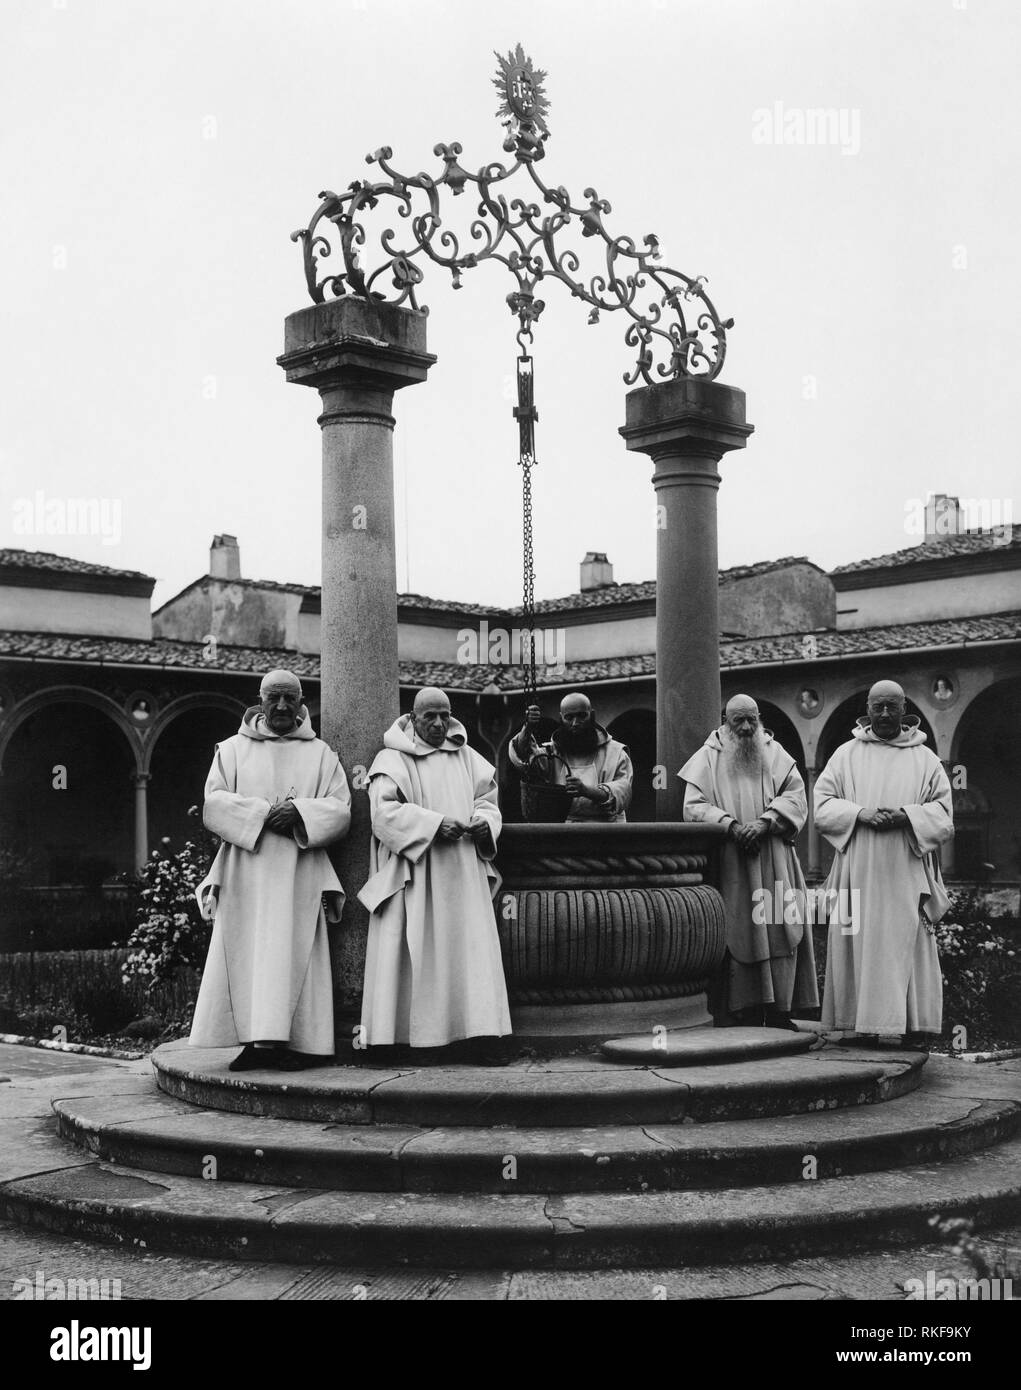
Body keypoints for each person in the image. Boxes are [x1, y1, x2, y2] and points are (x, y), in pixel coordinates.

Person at [190, 669, 351, 1071]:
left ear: (301, 703)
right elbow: (214, 803)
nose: (281, 706)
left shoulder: (321, 755)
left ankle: (298, 1043)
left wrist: (298, 811)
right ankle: (252, 1042)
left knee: (295, 954)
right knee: (250, 955)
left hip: (301, 872)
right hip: (248, 871)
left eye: (290, 699)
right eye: (274, 698)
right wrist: (263, 813)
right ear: (260, 701)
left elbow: (340, 809)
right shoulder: (231, 751)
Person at [358, 687, 512, 1062]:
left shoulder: (467, 757)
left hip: (462, 872)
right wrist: (433, 825)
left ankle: (478, 1036)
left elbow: (487, 802)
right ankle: (415, 1040)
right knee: (419, 954)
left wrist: (484, 823)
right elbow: (383, 815)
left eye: (445, 715)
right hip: (417, 873)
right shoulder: (391, 759)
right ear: (412, 719)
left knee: (468, 952)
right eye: (430, 717)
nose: (440, 724)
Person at [815, 679, 953, 1047]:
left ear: (905, 709)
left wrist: (907, 816)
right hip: (858, 868)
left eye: (893, 706)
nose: (887, 714)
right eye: (880, 707)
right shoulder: (846, 754)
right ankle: (859, 1024)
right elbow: (823, 805)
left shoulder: (925, 759)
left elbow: (943, 813)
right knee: (857, 940)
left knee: (905, 943)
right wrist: (860, 813)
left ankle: (912, 1026)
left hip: (905, 868)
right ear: (868, 709)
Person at [679, 694, 818, 1029]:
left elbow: (797, 797)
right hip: (733, 862)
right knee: (740, 931)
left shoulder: (775, 753)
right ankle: (747, 1009)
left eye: (750, 720)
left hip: (774, 856)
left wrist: (766, 822)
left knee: (781, 927)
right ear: (725, 720)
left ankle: (781, 1010)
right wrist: (731, 825)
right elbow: (693, 806)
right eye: (737, 720)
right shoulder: (709, 756)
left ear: (759, 719)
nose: (744, 727)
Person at [508, 692, 633, 822]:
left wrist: (586, 790)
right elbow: (524, 757)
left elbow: (623, 791)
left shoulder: (616, 753)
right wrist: (528, 728)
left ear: (592, 715)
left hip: (605, 830)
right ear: (561, 718)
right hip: (564, 830)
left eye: (581, 716)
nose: (575, 723)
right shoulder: (551, 753)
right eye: (569, 717)